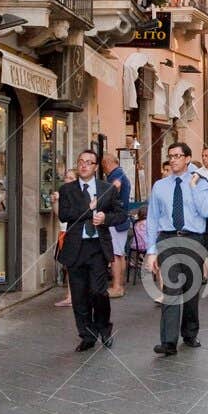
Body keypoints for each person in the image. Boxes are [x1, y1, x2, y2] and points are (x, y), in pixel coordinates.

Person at [145, 142, 208, 356]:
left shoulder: (201, 183)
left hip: (193, 240)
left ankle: (190, 333)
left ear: (187, 159)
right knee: (171, 290)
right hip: (167, 239)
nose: (174, 160)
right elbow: (152, 219)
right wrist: (151, 252)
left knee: (191, 289)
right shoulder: (160, 186)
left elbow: (207, 211)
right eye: (171, 156)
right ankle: (168, 341)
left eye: (178, 156)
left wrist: (194, 186)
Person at [55, 149, 127, 351]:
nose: (84, 165)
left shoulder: (107, 189)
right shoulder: (67, 189)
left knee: (98, 292)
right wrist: (89, 208)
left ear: (96, 167)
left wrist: (105, 218)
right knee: (79, 296)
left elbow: (121, 215)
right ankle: (87, 335)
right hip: (76, 248)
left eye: (89, 162)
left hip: (97, 247)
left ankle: (104, 329)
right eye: (81, 161)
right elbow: (64, 215)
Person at [102, 149, 133, 298]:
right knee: (120, 254)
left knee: (115, 254)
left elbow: (115, 187)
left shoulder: (116, 175)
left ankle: (117, 286)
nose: (103, 169)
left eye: (103, 165)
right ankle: (120, 285)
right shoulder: (121, 173)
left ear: (107, 163)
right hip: (122, 220)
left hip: (115, 220)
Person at [52, 165, 79, 307]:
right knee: (69, 265)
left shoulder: (79, 194)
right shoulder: (62, 193)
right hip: (64, 231)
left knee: (75, 265)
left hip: (74, 233)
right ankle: (70, 295)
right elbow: (59, 215)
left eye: (71, 178)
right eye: (66, 177)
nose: (67, 180)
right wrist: (56, 201)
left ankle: (75, 296)